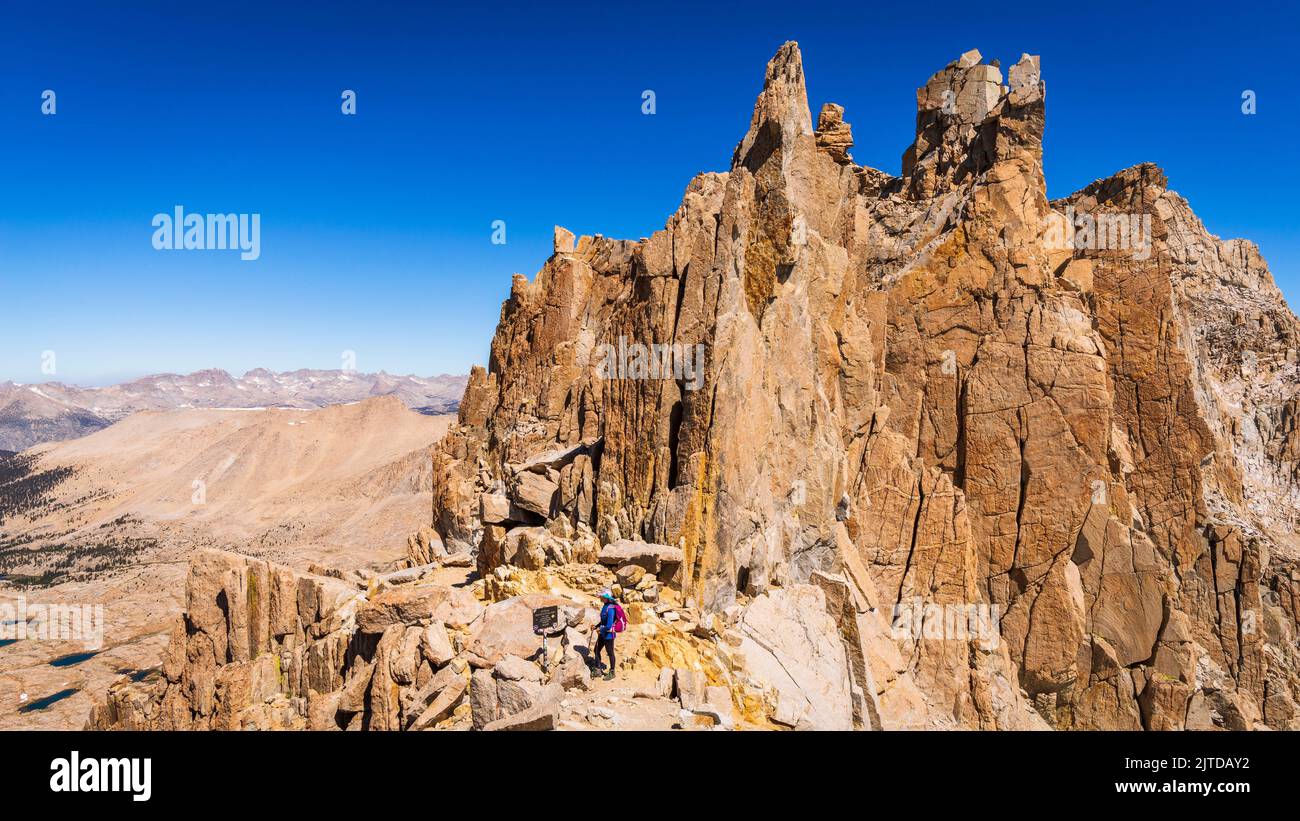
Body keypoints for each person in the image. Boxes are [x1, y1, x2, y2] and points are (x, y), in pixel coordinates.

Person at [591, 589, 618, 681]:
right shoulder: (605, 606)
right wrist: (596, 626)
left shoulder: (611, 608)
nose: (600, 598)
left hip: (609, 635)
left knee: (610, 653)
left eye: (602, 597)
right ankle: (598, 669)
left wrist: (600, 629)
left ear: (606, 598)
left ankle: (612, 672)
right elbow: (603, 621)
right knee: (596, 650)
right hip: (603, 633)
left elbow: (609, 624)